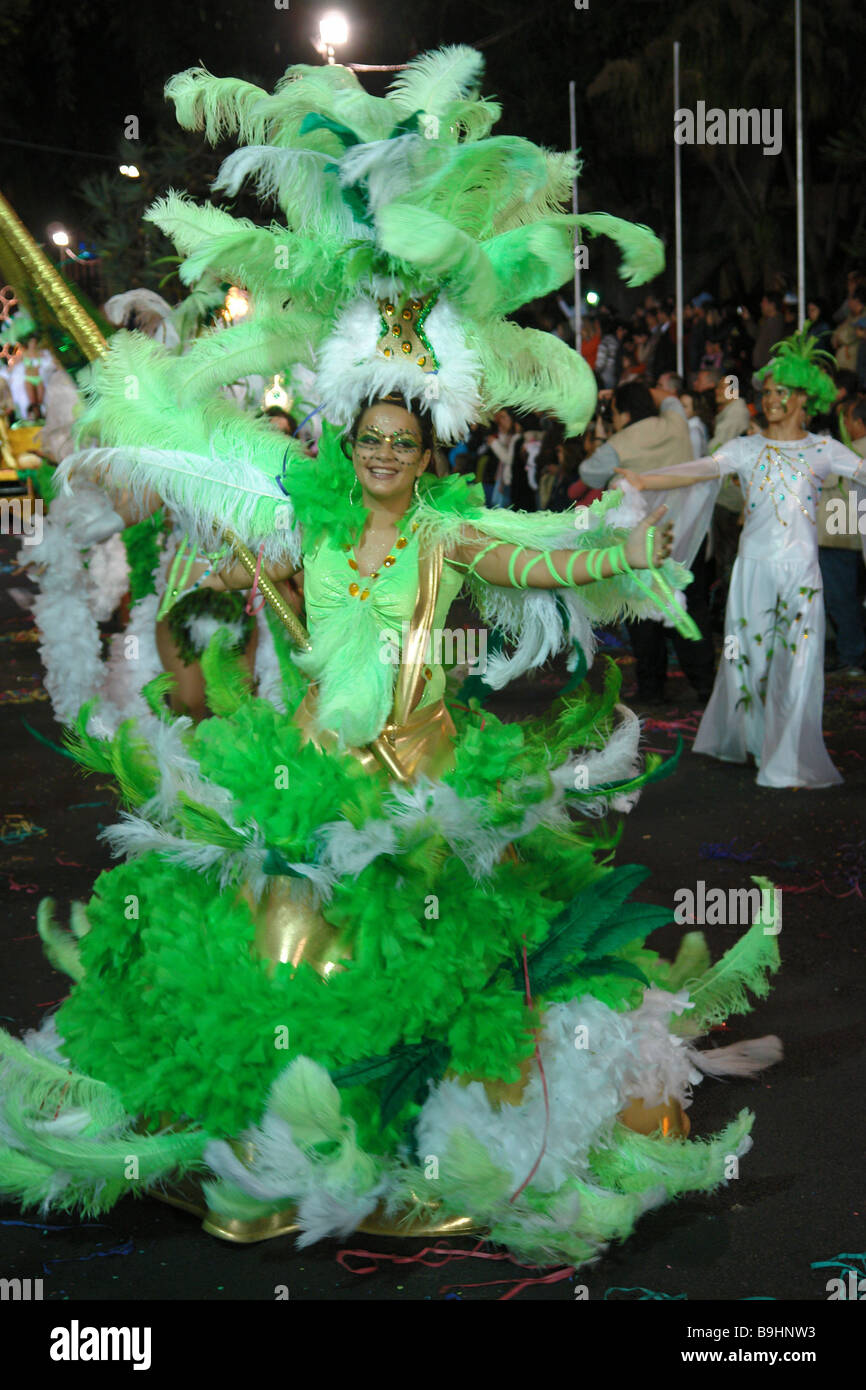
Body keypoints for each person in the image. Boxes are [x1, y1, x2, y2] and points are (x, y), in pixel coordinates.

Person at [0, 44, 781, 1266]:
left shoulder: (448, 531)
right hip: (304, 789)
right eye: (362, 434)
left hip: (425, 797)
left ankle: (410, 1136)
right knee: (278, 971)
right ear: (345, 434)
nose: (377, 454)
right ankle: (283, 1139)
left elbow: (541, 554)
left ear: (426, 446)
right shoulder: (301, 522)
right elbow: (188, 479)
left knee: (440, 983)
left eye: (398, 439)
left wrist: (611, 535)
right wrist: (137, 493)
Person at [618, 331, 866, 787]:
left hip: (801, 572)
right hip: (752, 570)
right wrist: (643, 479)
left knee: (799, 662)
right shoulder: (745, 449)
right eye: (766, 391)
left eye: (780, 392)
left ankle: (787, 760)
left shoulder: (824, 450)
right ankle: (755, 741)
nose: (769, 399)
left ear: (804, 397)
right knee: (748, 658)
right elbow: (696, 470)